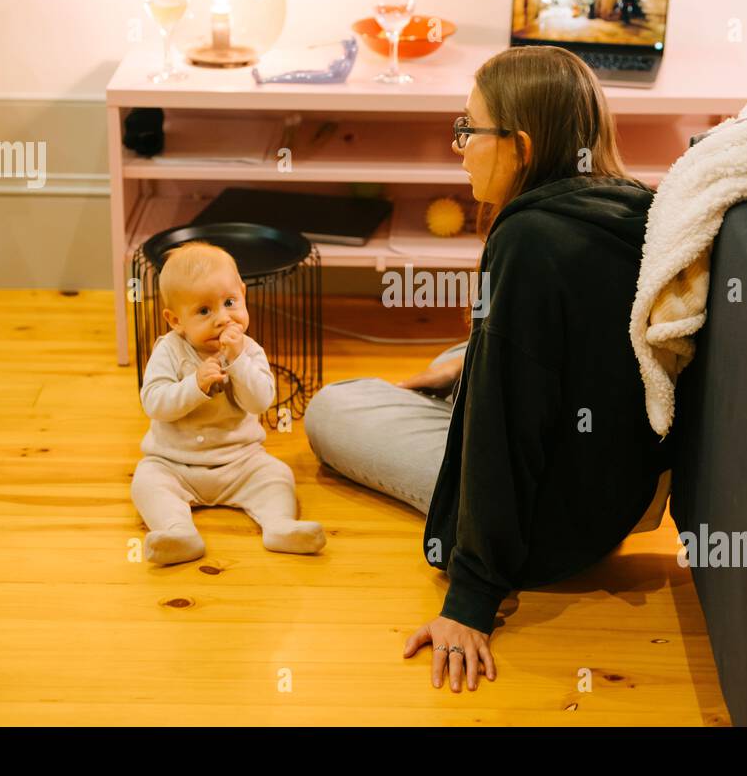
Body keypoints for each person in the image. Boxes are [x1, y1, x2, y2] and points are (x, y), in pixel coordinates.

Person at [304, 45, 670, 692]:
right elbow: (566, 350)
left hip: (552, 519)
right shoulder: (633, 206)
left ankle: (454, 392)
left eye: (469, 130)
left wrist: (471, 597)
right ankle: (457, 375)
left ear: (521, 146)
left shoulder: (527, 241)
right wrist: (468, 374)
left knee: (333, 407)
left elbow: (508, 424)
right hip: (623, 490)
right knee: (461, 357)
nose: (460, 146)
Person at [131, 242, 326, 564]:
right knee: (146, 482)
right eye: (204, 311)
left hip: (240, 462)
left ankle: (280, 526)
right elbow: (154, 403)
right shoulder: (168, 350)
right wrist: (195, 385)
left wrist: (238, 363)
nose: (223, 318)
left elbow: (261, 401)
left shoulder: (248, 351)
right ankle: (178, 532)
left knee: (276, 475)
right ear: (175, 320)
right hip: (175, 464)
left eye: (229, 302)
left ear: (243, 296)